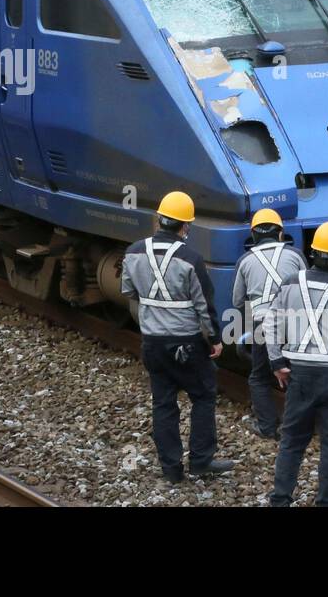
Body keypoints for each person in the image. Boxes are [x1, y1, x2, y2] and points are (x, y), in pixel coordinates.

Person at [121, 191, 235, 484]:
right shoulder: (190, 259)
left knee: (163, 403)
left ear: (159, 219)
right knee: (203, 396)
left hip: (152, 343)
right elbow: (204, 306)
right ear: (185, 226)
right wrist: (215, 340)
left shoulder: (133, 252)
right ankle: (201, 461)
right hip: (186, 343)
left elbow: (128, 292)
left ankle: (171, 469)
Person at [264, 221, 328, 507]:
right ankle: (327, 501)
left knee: (292, 442)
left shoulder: (289, 283)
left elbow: (270, 322)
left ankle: (280, 499)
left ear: (313, 253)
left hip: (299, 375)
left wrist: (276, 360)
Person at [231, 208, 306, 440]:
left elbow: (237, 300)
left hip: (263, 323)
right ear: (280, 233)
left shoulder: (245, 261)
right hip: (294, 321)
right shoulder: (296, 255)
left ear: (253, 235)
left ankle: (267, 427)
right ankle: (297, 426)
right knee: (297, 373)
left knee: (259, 376)